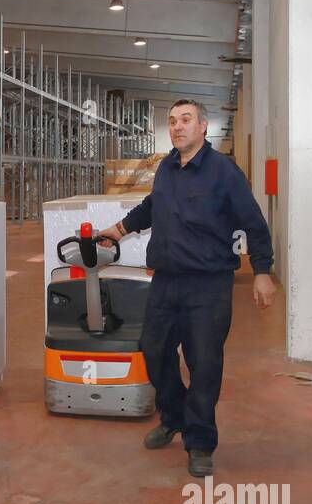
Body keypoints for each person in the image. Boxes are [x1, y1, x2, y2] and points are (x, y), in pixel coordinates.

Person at [97, 100, 276, 477]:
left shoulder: (223, 172)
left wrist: (262, 271)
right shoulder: (166, 167)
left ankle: (200, 441)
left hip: (208, 285)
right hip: (166, 279)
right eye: (172, 122)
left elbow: (254, 222)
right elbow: (151, 206)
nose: (178, 127)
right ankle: (173, 417)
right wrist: (120, 229)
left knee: (203, 363)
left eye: (185, 120)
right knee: (154, 350)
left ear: (203, 127)